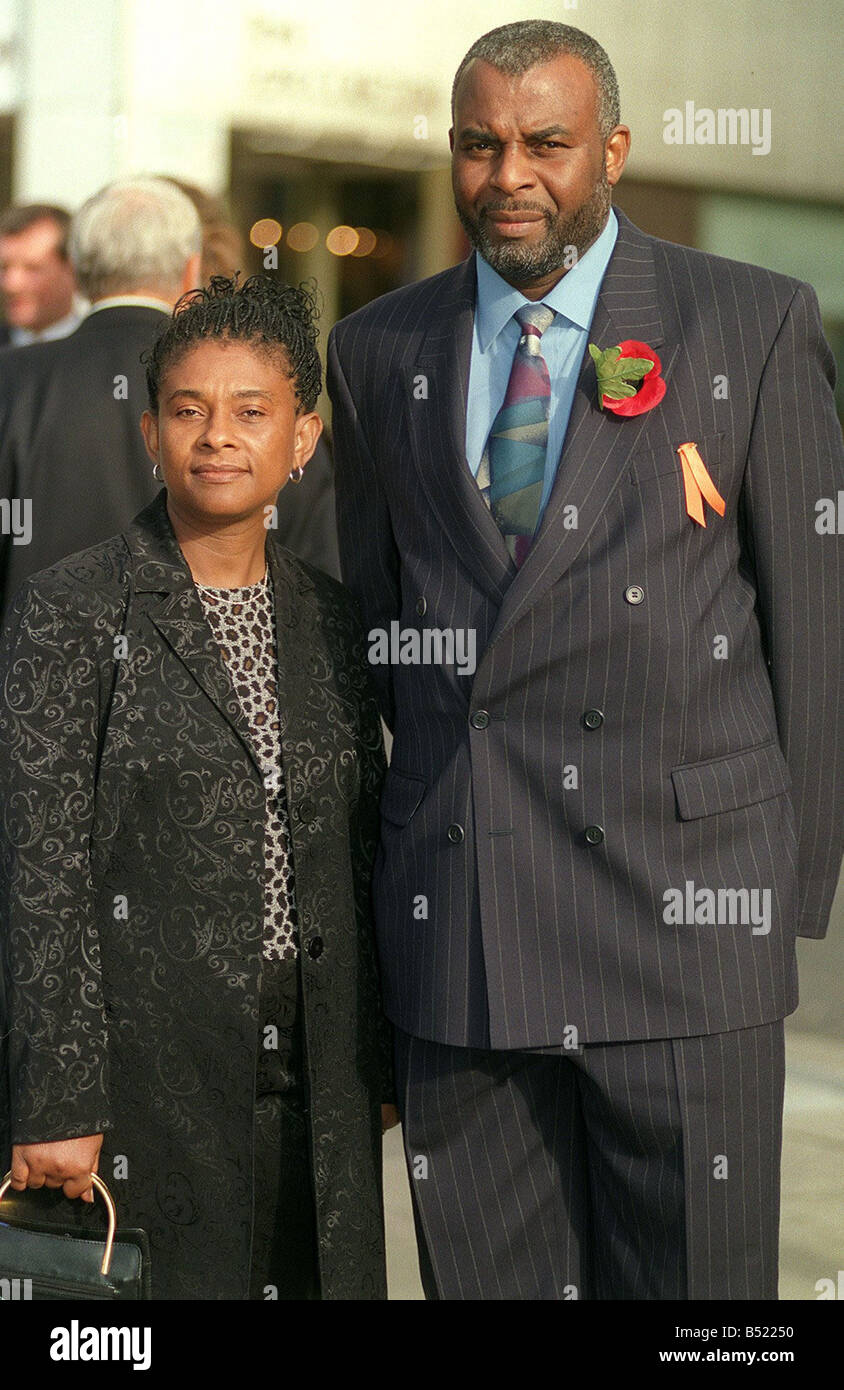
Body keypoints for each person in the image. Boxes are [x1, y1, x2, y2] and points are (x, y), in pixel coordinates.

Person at [327, 20, 844, 1300]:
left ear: (610, 150)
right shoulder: (376, 349)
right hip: (468, 940)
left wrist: (773, 905)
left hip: (686, 934)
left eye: (545, 144)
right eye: (477, 144)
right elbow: (366, 646)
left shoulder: (754, 322)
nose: (510, 175)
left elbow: (819, 637)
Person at [0, 273, 397, 1300]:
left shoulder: (334, 620)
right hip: (144, 1093)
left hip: (318, 1089)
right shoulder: (70, 610)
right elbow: (40, 869)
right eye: (189, 410)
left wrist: (379, 1061)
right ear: (149, 436)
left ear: (302, 439)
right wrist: (56, 1098)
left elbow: (362, 853)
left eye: (251, 411)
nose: (218, 435)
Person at [0, 179, 203, 627]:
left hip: (32, 675)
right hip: (191, 680)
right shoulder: (239, 386)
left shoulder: (12, 380)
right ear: (192, 270)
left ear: (76, 268)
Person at [0, 203, 83, 347]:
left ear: (72, 270)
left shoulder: (101, 350)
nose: (11, 285)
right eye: (3, 268)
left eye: (32, 268)